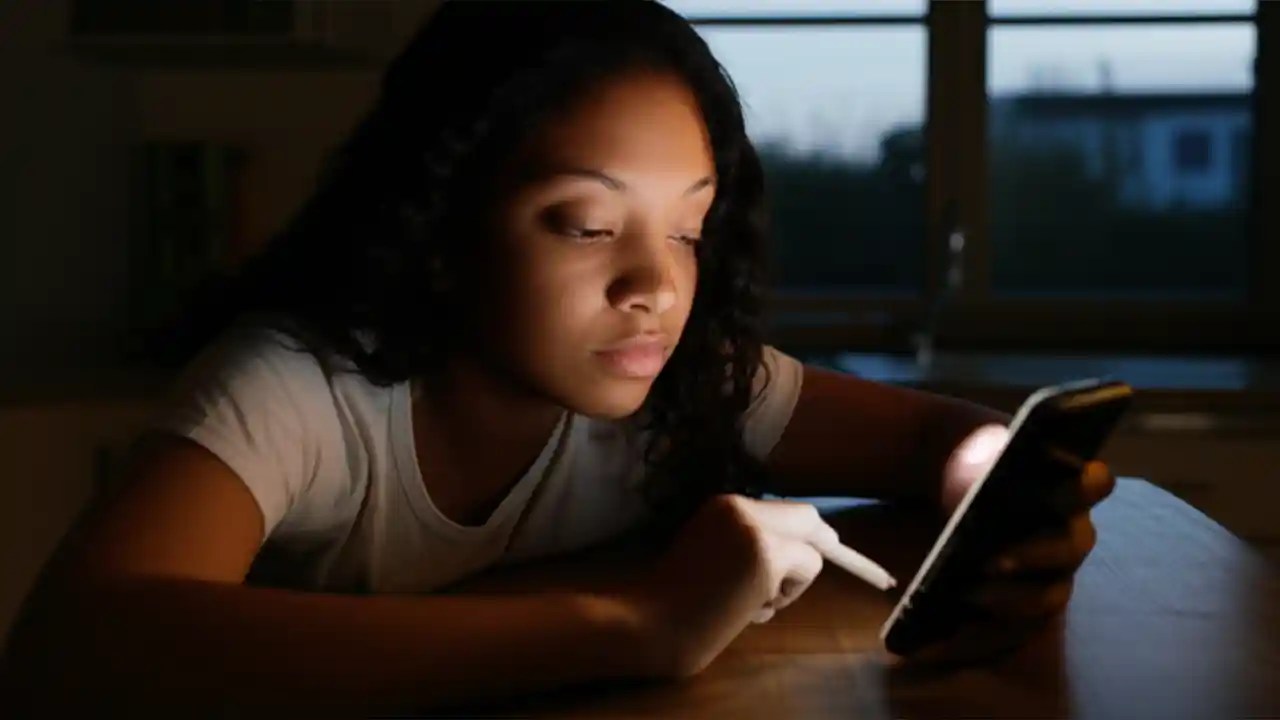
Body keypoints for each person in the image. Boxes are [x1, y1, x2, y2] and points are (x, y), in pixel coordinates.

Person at [3, 0, 1114, 713]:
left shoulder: (686, 376)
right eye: (586, 225)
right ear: (440, 225)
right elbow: (83, 637)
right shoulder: (305, 385)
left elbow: (936, 436)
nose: (657, 284)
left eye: (687, 229)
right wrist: (638, 624)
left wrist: (992, 492)